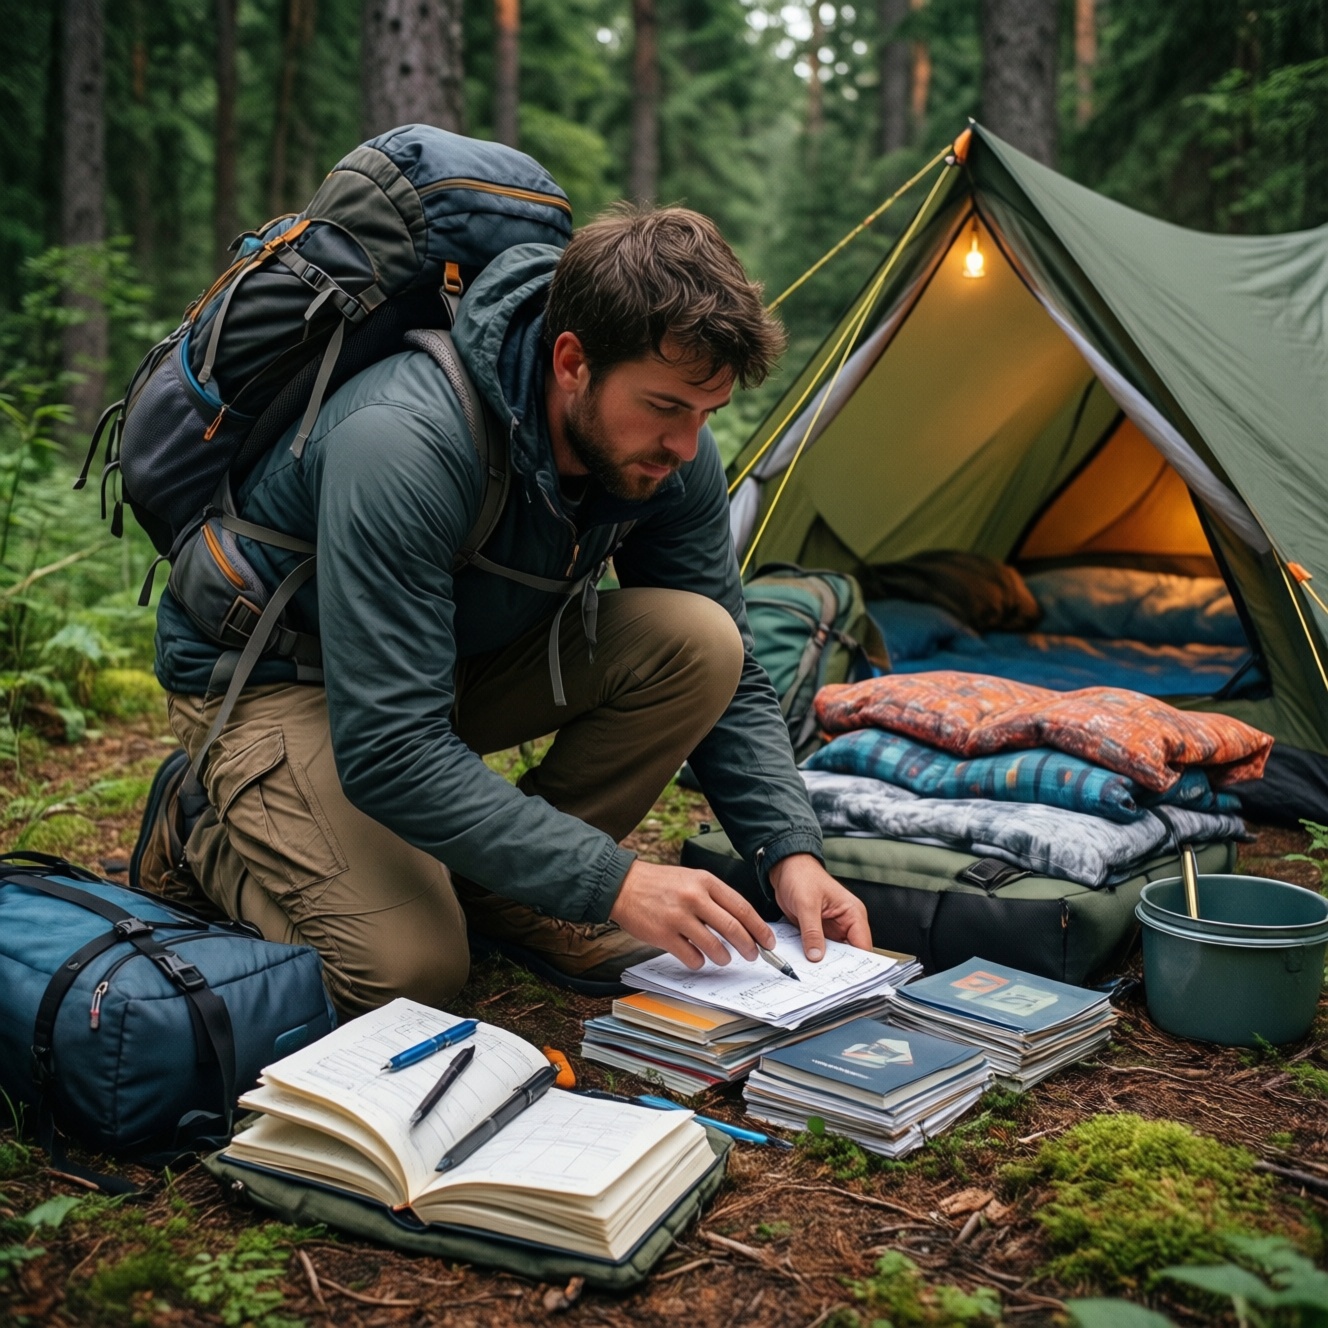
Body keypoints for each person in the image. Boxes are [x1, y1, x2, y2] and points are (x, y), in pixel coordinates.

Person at [143, 205, 871, 1017]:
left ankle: (505, 891)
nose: (688, 445)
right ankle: (202, 828)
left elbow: (733, 673)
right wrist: (614, 880)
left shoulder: (668, 455)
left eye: (708, 414)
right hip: (279, 678)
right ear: (572, 362)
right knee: (406, 973)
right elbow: (390, 745)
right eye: (666, 407)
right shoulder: (405, 439)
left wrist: (790, 852)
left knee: (702, 643)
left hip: (439, 663)